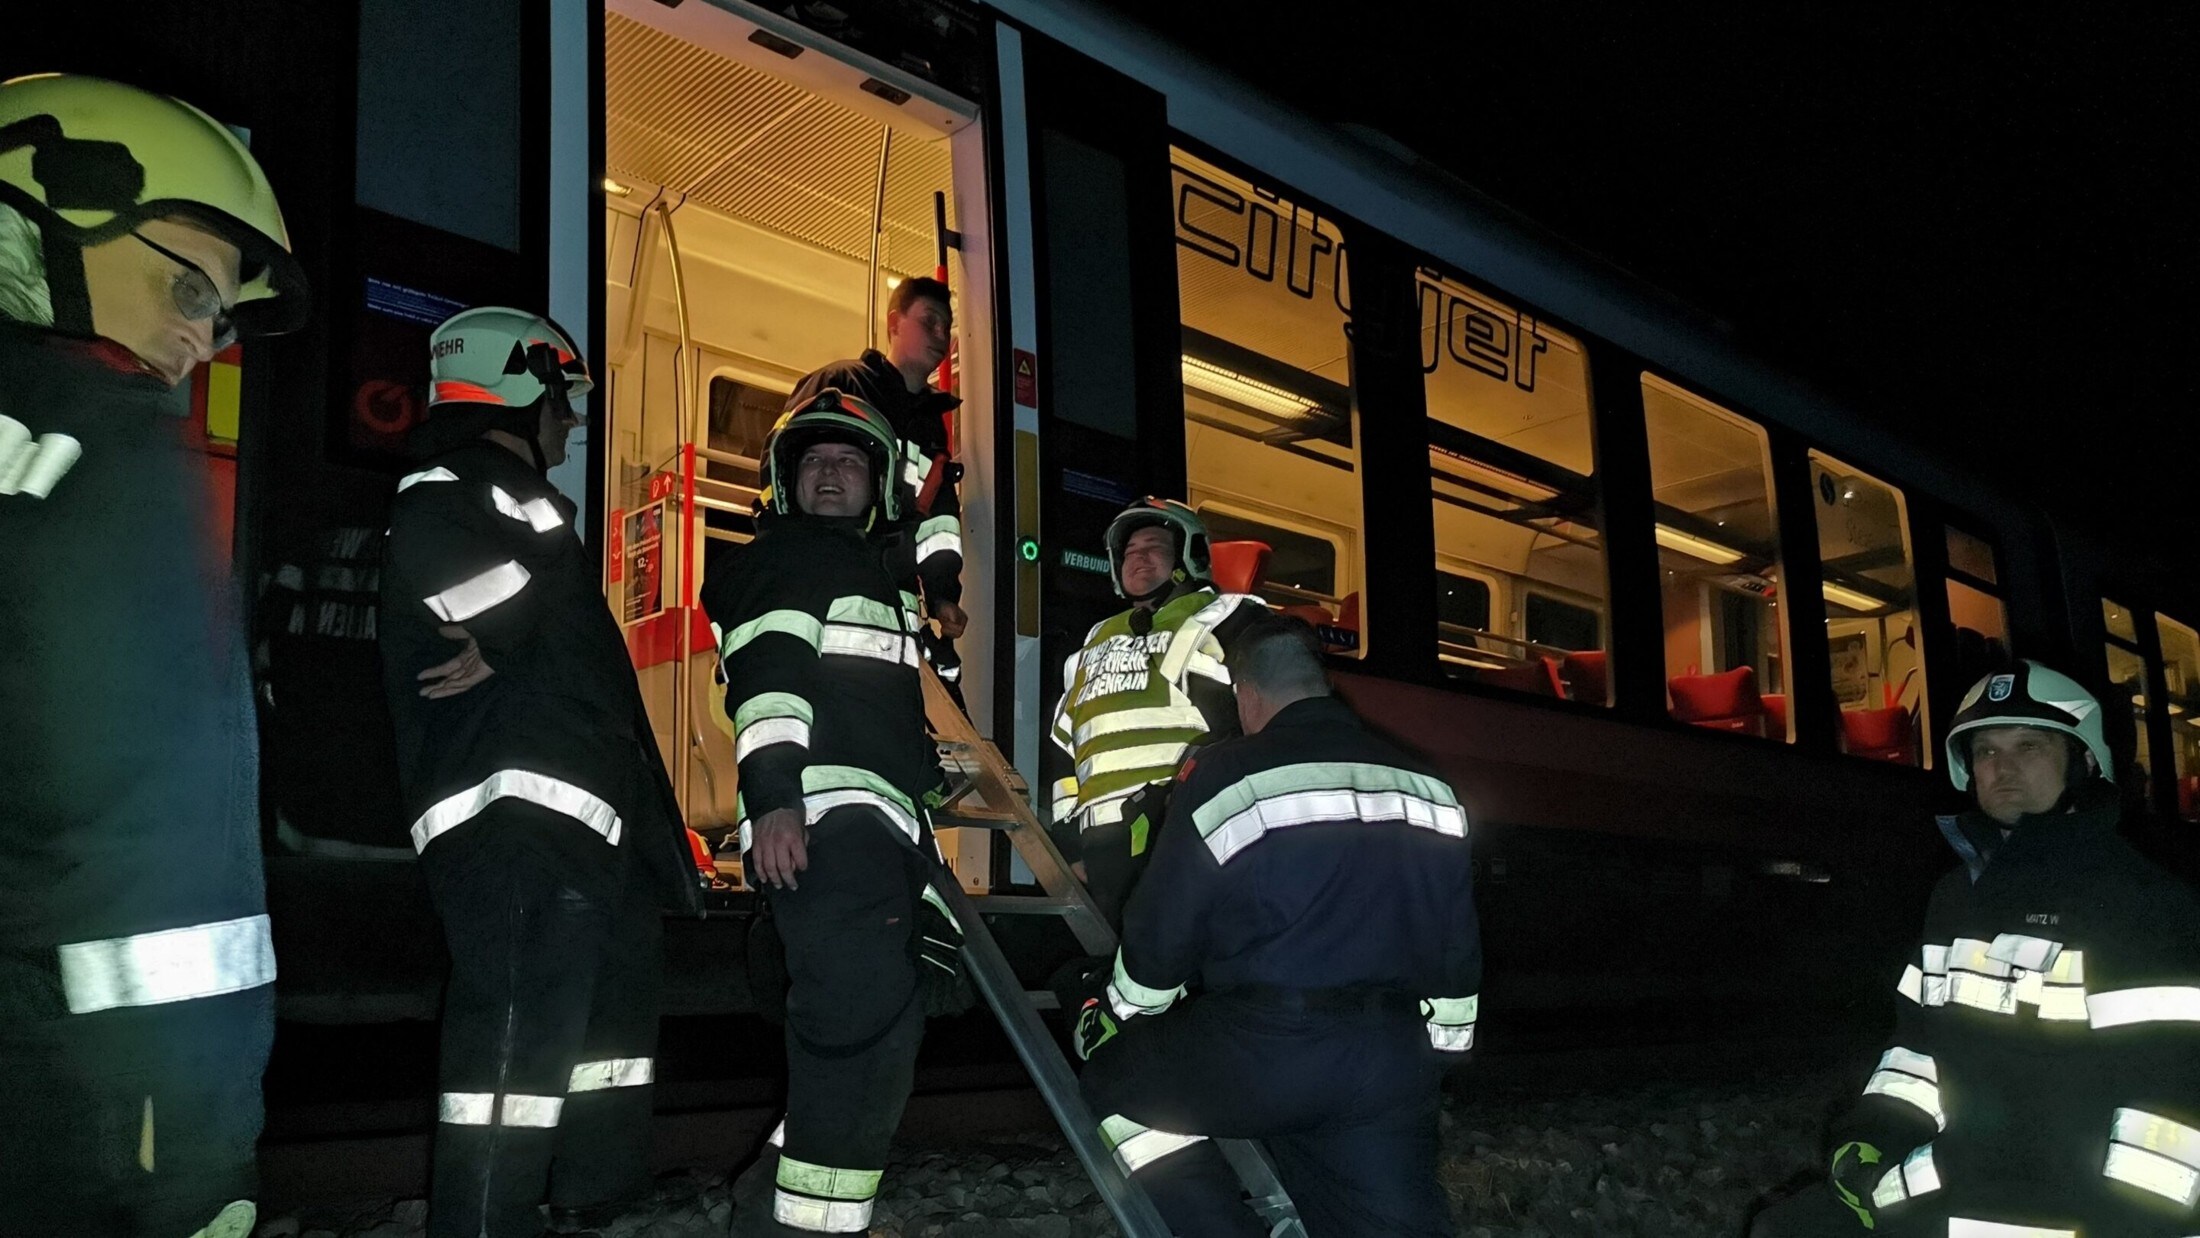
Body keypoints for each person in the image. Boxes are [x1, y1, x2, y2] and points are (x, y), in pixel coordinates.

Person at [0, 72, 308, 1238]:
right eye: (188, 287)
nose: (199, 335)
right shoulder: (108, 451)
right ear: (49, 212)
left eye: (221, 318)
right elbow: (154, 847)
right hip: (80, 1082)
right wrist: (195, 1151)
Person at [377, 307, 706, 1238]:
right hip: (513, 822)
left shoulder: (519, 500)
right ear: (521, 385)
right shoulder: (447, 484)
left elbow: (546, 637)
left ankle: (595, 1196)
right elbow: (476, 597)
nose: (572, 422)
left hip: (586, 822)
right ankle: (484, 1221)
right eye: (565, 399)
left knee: (605, 1035)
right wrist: (523, 642)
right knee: (514, 1040)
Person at [1750, 660, 2200, 1238]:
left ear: (2085, 763)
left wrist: (2130, 1222)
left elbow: (2172, 1093)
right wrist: (1873, 1135)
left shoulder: (2142, 904)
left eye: (2029, 746)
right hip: (1955, 1182)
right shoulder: (1957, 897)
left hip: (2077, 1210)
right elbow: (1916, 1053)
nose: (2002, 767)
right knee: (1783, 1229)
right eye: (1985, 751)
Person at [1076, 615, 1480, 1237]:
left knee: (1112, 1078)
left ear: (1247, 694)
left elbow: (1163, 928)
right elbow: (1457, 943)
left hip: (1269, 1044)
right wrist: (1438, 1056)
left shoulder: (1228, 773)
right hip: (1392, 1058)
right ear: (1322, 684)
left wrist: (1122, 1012)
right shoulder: (1428, 784)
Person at [702, 389, 961, 1235]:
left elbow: (884, 708)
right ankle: (796, 1225)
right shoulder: (795, 558)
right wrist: (775, 800)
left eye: (848, 462)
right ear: (786, 482)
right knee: (860, 1029)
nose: (829, 473)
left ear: (877, 485)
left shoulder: (861, 573)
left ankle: (767, 1198)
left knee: (876, 1025)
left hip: (878, 831)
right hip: (827, 821)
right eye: (813, 461)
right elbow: (770, 685)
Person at [1046, 498, 1263, 926]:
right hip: (1103, 843)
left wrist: (1178, 806)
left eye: (1154, 546)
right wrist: (1068, 843)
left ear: (1190, 555)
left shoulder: (1226, 616)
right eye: (1128, 552)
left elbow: (1249, 729)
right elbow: (1063, 747)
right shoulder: (1096, 638)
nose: (1138, 558)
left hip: (1182, 831)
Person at [785, 276, 966, 698]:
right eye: (930, 321)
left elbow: (939, 525)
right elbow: (783, 469)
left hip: (895, 604)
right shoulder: (841, 385)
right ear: (894, 324)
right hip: (833, 589)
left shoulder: (931, 427)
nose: (941, 335)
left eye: (947, 326)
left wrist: (941, 597)